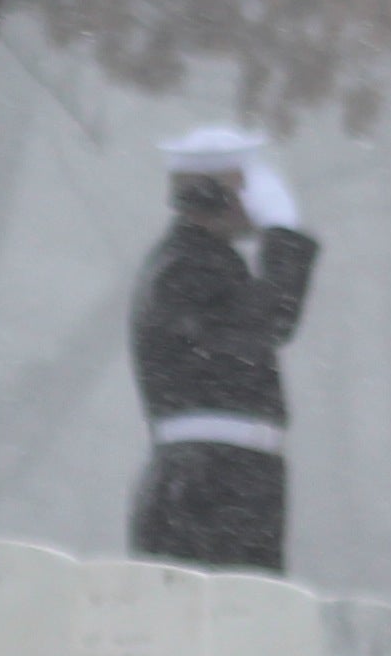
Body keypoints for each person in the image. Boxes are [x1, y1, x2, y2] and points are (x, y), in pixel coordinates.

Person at [127, 124, 318, 572]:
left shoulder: (208, 261)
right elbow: (267, 325)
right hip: (209, 483)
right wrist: (282, 234)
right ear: (218, 195)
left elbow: (268, 322)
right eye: (246, 184)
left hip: (224, 478)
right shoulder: (186, 265)